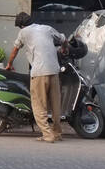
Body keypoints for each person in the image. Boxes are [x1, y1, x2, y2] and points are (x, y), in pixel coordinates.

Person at [7, 11, 67, 143]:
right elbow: (63, 39)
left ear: (21, 25)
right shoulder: (46, 28)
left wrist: (9, 64)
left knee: (39, 104)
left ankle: (47, 135)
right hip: (54, 71)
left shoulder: (24, 32)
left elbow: (15, 49)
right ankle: (57, 133)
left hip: (39, 72)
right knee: (56, 104)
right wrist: (65, 49)